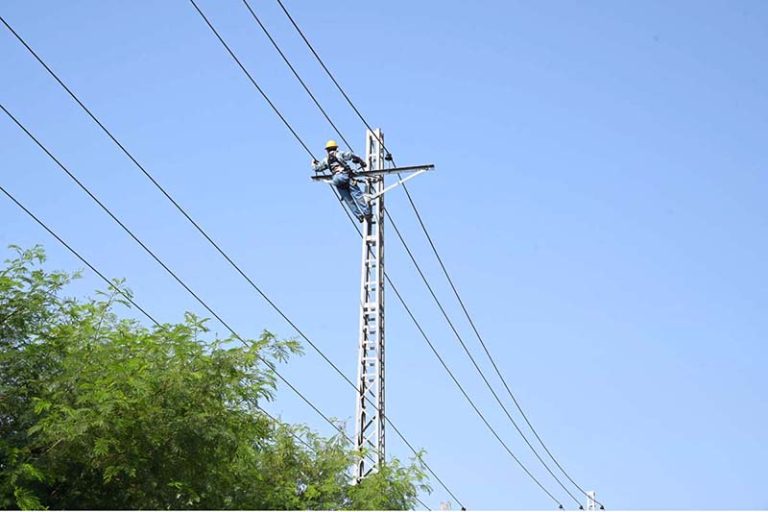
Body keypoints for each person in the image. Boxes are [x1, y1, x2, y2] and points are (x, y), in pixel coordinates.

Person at [312, 140, 372, 222]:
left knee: (348, 200)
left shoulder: (326, 160)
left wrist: (313, 163)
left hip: (336, 180)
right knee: (357, 194)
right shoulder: (339, 154)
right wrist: (361, 161)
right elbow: (351, 155)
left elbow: (317, 168)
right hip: (345, 176)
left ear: (327, 150)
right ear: (336, 148)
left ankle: (359, 216)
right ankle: (367, 213)